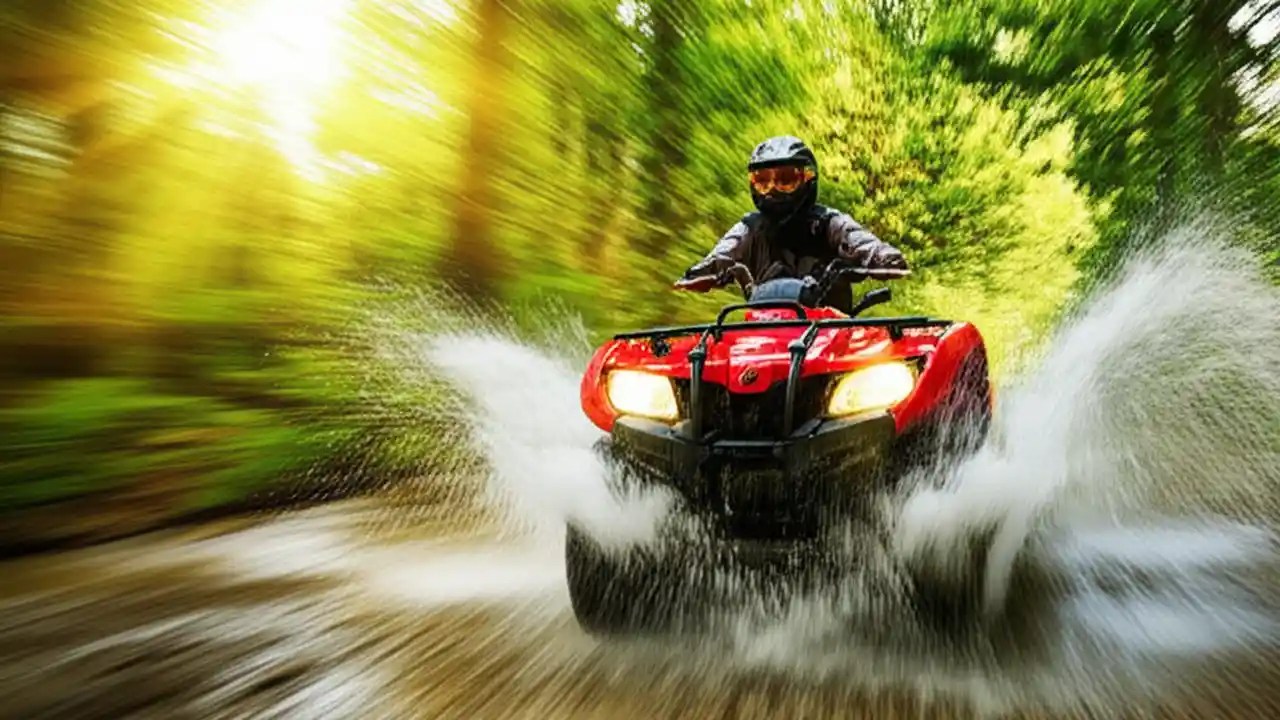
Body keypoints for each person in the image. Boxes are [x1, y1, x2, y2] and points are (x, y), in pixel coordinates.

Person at [674, 135, 908, 313]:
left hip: (833, 335)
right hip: (764, 334)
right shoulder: (749, 228)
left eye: (785, 180)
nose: (772, 190)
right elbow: (724, 252)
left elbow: (860, 240)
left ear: (808, 178)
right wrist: (704, 271)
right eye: (763, 181)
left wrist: (882, 256)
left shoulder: (829, 222)